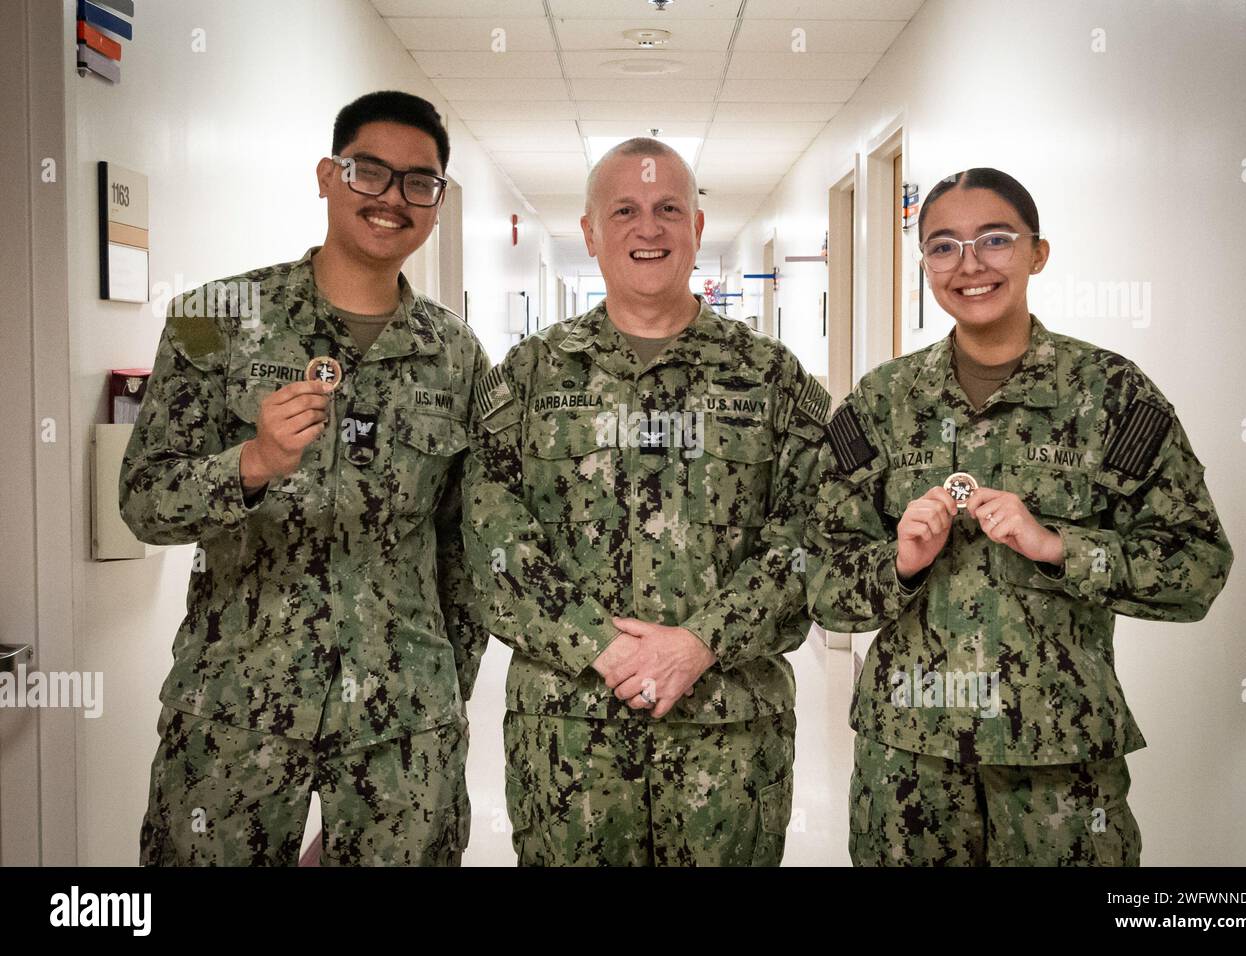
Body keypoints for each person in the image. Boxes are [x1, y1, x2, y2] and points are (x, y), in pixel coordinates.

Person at [807, 167, 1233, 866]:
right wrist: (900, 562)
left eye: (994, 240)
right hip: (909, 757)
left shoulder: (1111, 395)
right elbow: (822, 581)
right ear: (926, 266)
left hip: (1059, 761)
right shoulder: (881, 403)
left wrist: (1060, 546)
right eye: (943, 246)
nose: (969, 265)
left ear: (1038, 252)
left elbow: (1198, 567)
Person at [120, 90, 490, 866]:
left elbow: (466, 546)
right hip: (235, 709)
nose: (392, 198)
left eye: (418, 183)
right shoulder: (211, 316)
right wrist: (249, 466)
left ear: (438, 203)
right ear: (328, 175)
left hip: (403, 723)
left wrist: (444, 680)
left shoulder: (457, 356)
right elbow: (144, 500)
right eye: (369, 173)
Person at [462, 138, 828, 866]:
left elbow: (811, 534)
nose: (648, 228)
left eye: (667, 209)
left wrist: (703, 641)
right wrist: (601, 647)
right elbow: (491, 539)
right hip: (570, 746)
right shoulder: (530, 376)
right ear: (591, 233)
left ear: (696, 226)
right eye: (624, 210)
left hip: (728, 746)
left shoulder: (770, 378)